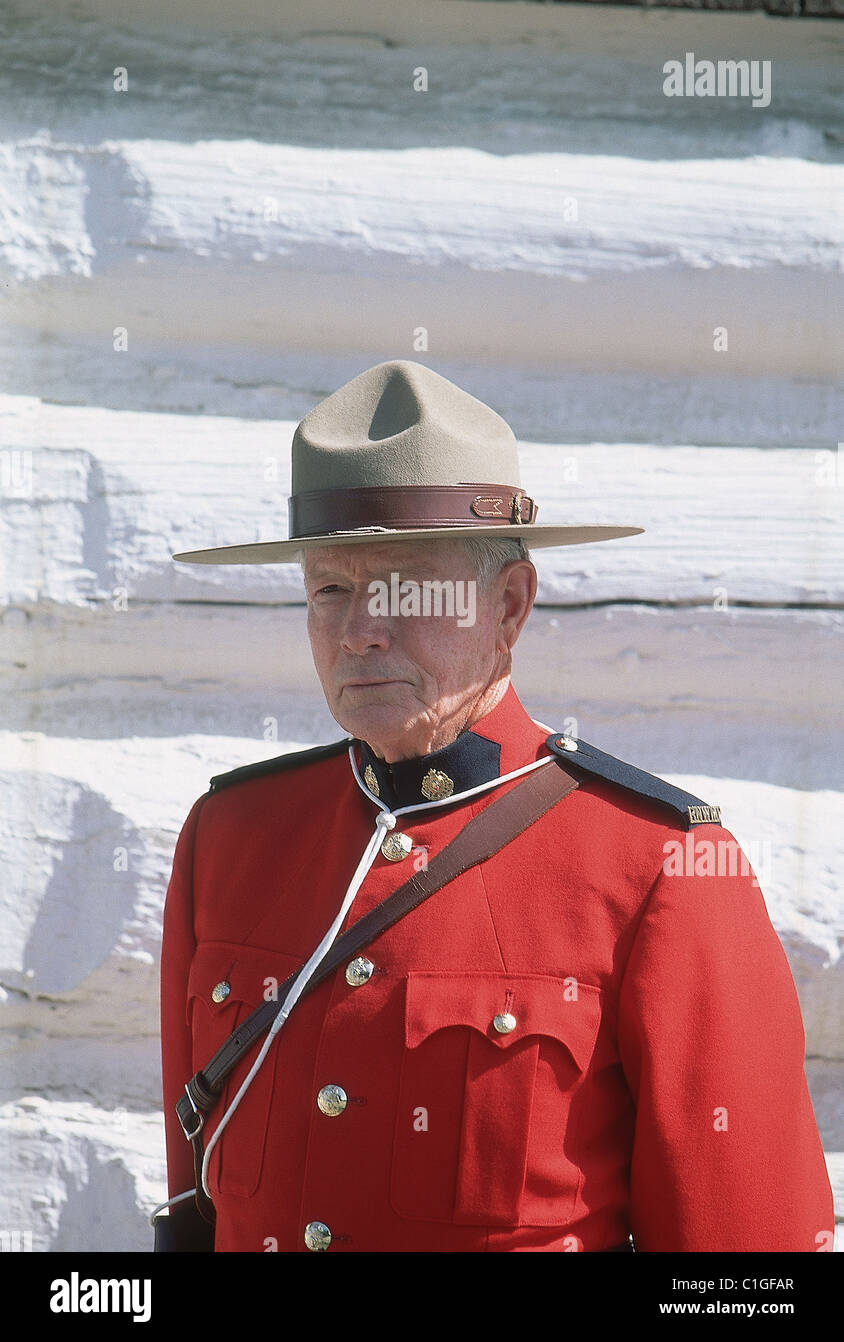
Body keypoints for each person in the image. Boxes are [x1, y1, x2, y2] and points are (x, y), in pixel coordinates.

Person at [157, 359, 833, 1252]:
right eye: (330, 589)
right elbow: (199, 1190)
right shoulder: (233, 839)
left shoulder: (658, 866)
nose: (361, 628)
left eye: (408, 588)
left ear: (509, 604)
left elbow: (745, 1262)